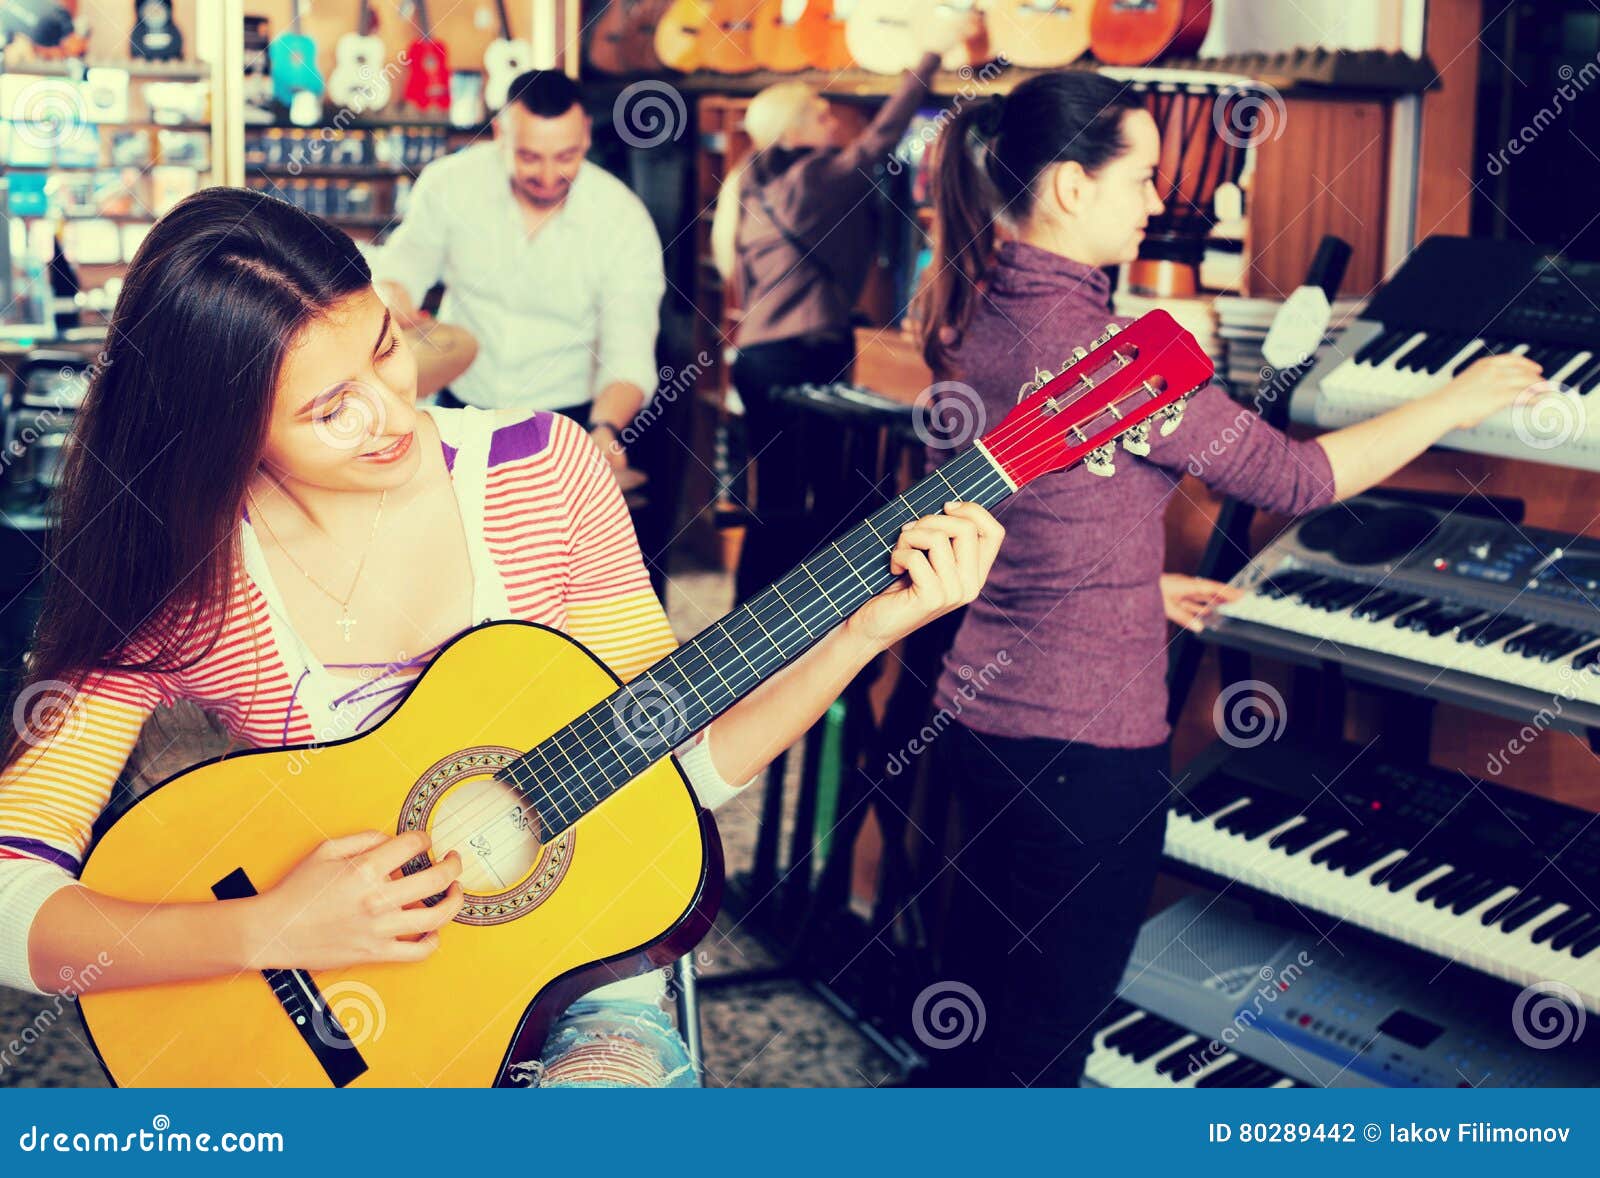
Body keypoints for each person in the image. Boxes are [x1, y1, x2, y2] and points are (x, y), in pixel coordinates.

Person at [0, 188, 1005, 1087]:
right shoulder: (183, 571)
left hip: (581, 981)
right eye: (326, 409)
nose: (390, 413)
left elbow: (683, 767)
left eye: (386, 348)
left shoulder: (543, 474)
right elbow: (11, 894)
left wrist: (871, 626)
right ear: (227, 431)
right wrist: (269, 925)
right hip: (336, 1019)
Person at [914, 72, 1547, 1087]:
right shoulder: (1113, 355)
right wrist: (1452, 399)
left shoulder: (972, 310)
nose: (1156, 200)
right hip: (1083, 752)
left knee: (984, 1028)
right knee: (1039, 1054)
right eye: (1143, 177)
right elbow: (1297, 477)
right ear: (1072, 187)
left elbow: (1031, 506)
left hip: (986, 724)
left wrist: (1131, 587)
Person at [710, 13, 976, 604]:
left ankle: (746, 625)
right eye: (819, 111)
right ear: (795, 123)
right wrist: (928, 56)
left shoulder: (748, 182)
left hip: (755, 359)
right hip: (807, 354)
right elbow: (883, 136)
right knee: (829, 502)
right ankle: (809, 624)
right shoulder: (815, 180)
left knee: (776, 495)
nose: (830, 119)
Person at [370, 70, 661, 475]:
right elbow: (402, 269)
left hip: (566, 421)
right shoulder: (449, 184)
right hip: (461, 413)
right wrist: (393, 302)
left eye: (566, 157)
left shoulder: (623, 219)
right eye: (529, 157)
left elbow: (628, 353)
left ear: (587, 136)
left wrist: (606, 428)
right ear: (499, 134)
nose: (547, 176)